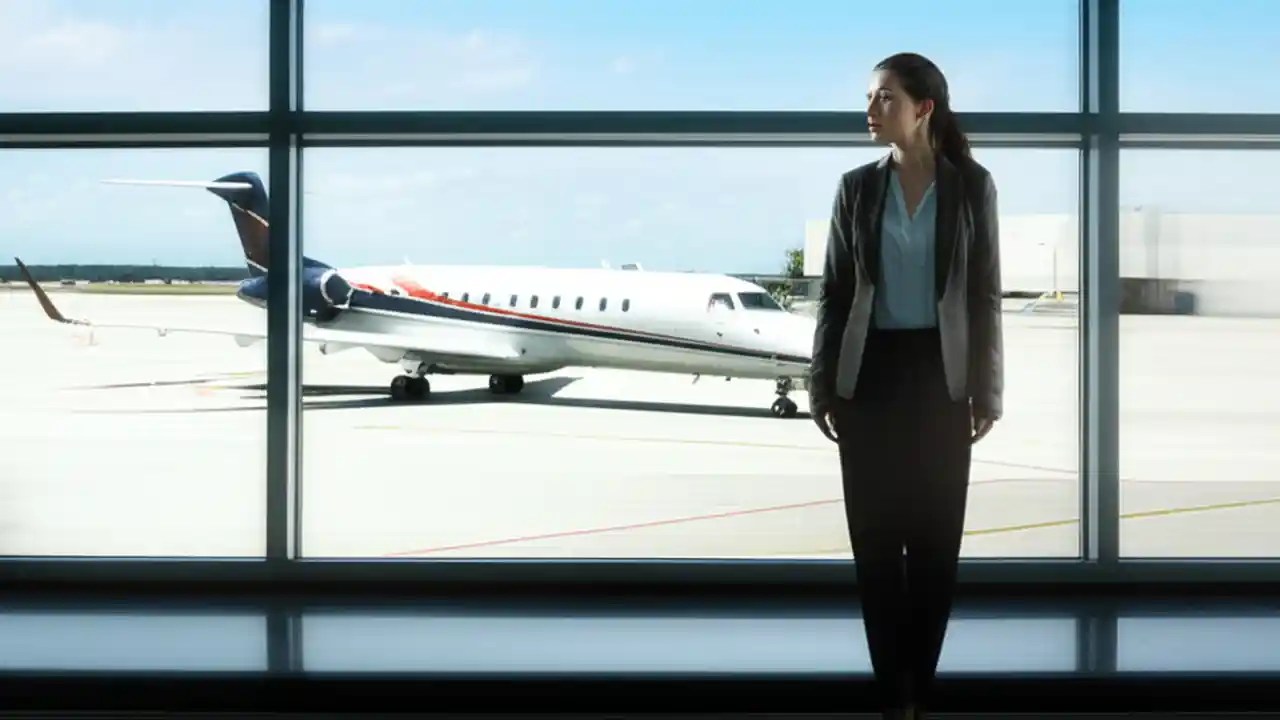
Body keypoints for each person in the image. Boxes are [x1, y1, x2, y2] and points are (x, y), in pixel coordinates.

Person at [807, 52, 1004, 720]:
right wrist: (822, 386)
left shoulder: (973, 187)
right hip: (869, 375)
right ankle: (893, 688)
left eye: (883, 98)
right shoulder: (854, 188)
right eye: (868, 98)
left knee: (934, 544)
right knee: (874, 543)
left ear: (923, 109)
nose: (869, 111)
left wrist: (990, 389)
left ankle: (920, 681)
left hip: (942, 379)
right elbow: (834, 296)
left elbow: (985, 297)